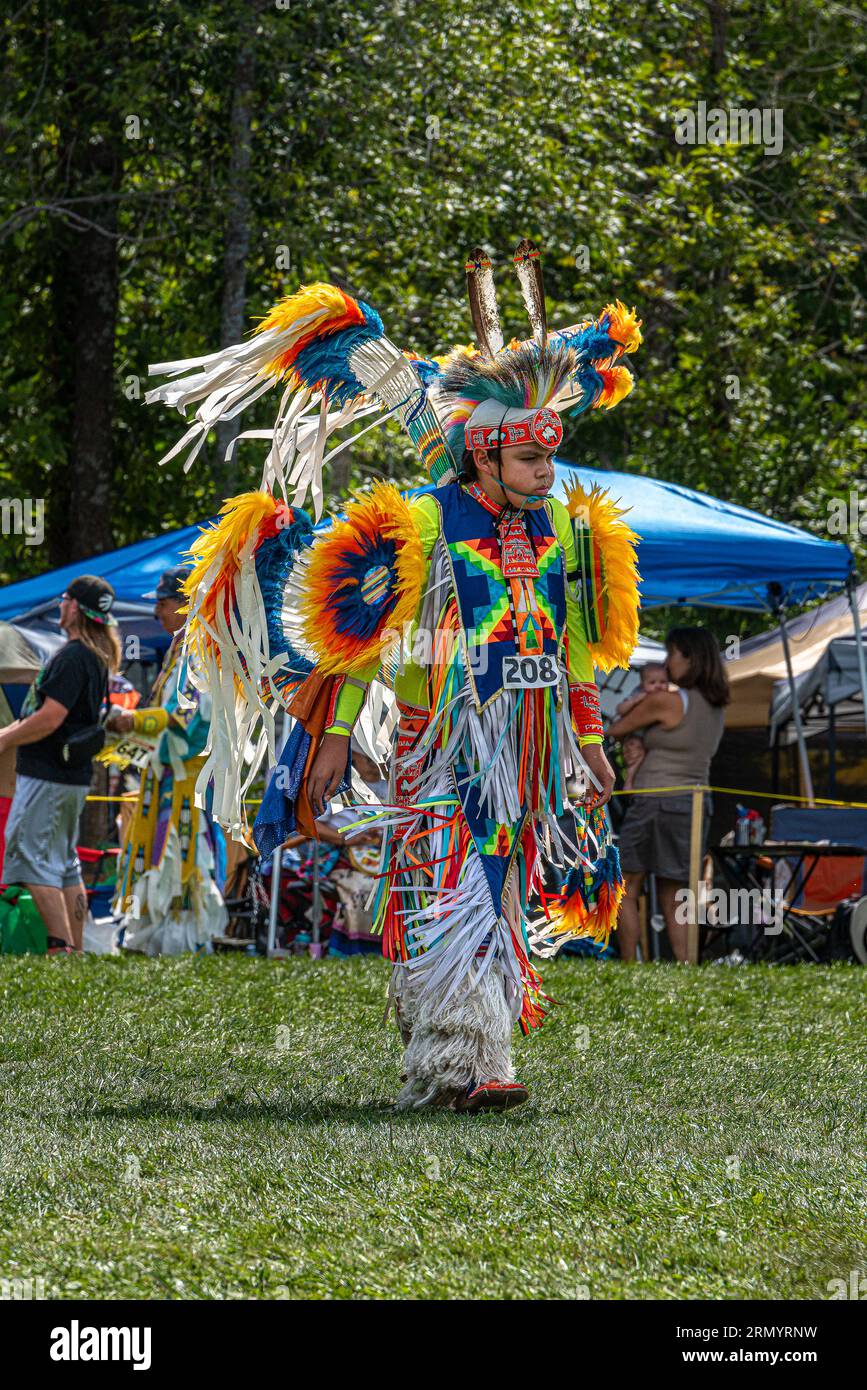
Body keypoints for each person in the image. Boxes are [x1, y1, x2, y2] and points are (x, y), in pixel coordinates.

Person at [146, 249, 643, 1111]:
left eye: (549, 455)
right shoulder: (414, 526)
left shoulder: (565, 526)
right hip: (437, 748)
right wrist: (333, 739)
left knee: (494, 891)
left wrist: (590, 746)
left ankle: (454, 1055)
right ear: (482, 454)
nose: (545, 472)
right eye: (527, 457)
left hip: (528, 754)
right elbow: (351, 647)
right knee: (449, 888)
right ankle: (468, 1065)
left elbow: (573, 648)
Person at [106, 566, 227, 955]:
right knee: (160, 847)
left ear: (183, 604)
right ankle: (160, 933)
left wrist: (133, 720)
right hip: (168, 773)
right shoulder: (181, 648)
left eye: (161, 603)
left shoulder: (197, 650)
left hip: (184, 778)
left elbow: (186, 717)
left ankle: (182, 935)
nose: (156, 611)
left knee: (180, 850)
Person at [0, 576, 120, 952]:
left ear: (75, 608)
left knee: (26, 855)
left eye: (65, 599)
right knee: (64, 863)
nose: (60, 604)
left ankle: (61, 947)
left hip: (48, 778)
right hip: (68, 778)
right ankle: (75, 950)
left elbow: (51, 716)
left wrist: (4, 738)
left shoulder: (73, 657)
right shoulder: (93, 658)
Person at [609, 627, 729, 962]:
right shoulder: (717, 706)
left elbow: (616, 728)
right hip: (694, 804)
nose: (667, 663)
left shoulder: (667, 700)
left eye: (671, 654)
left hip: (655, 801)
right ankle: (685, 964)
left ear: (688, 657)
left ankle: (630, 964)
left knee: (627, 883)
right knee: (675, 890)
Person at [614, 662, 670, 786]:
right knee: (637, 753)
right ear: (642, 684)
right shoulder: (639, 694)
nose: (658, 686)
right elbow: (620, 709)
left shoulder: (668, 697)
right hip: (636, 733)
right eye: (652, 683)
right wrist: (634, 701)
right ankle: (629, 781)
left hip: (652, 735)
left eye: (663, 682)